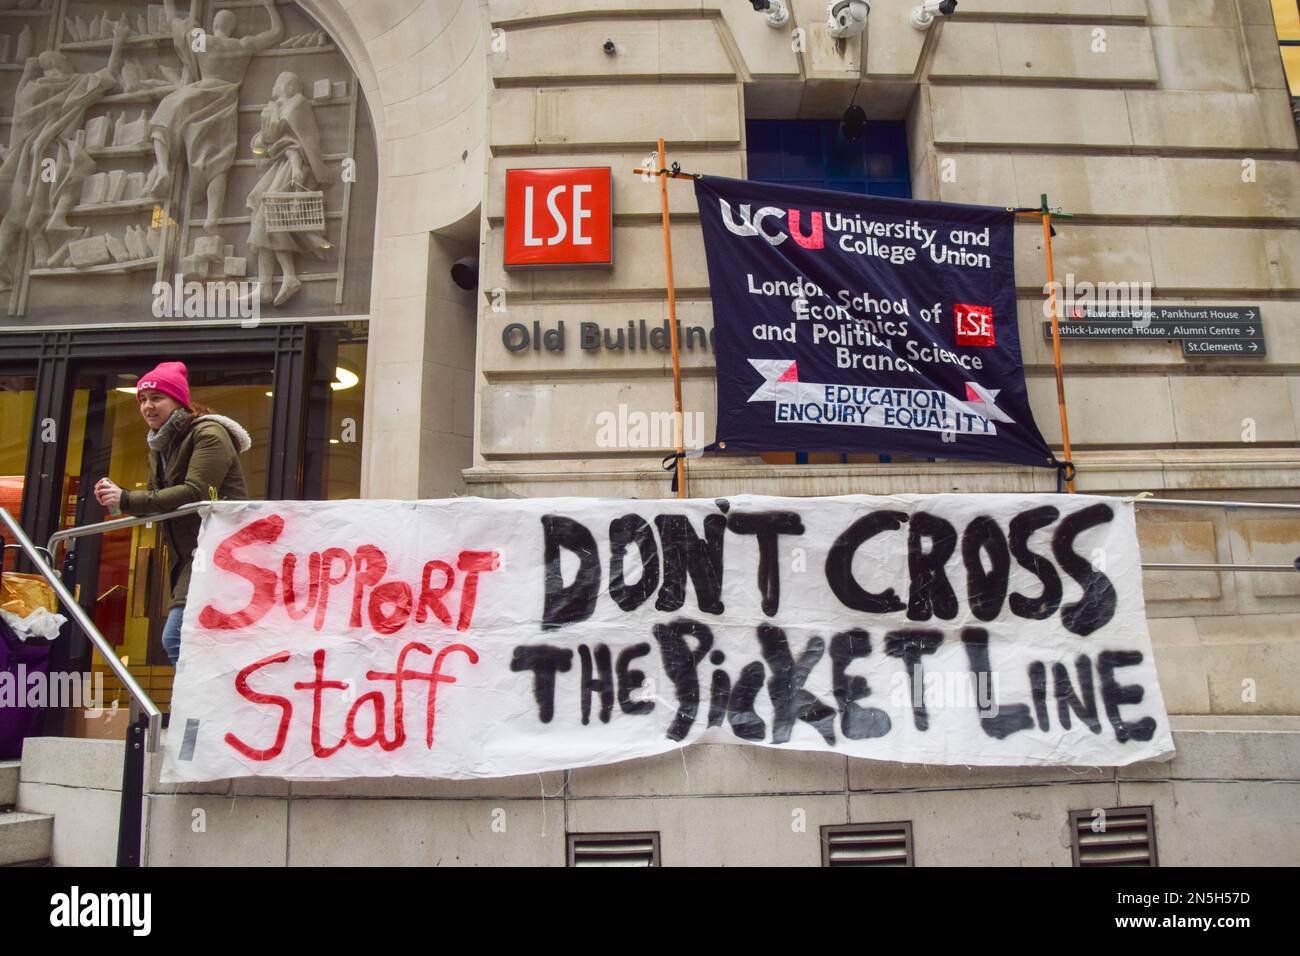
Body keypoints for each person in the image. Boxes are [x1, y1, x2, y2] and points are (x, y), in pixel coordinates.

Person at [93, 362, 250, 666]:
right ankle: (203, 711)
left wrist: (127, 499)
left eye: (156, 398)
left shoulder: (209, 433)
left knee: (177, 637)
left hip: (220, 551)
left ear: (178, 400)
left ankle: (196, 712)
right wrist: (121, 497)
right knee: (200, 643)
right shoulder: (162, 444)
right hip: (190, 554)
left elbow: (195, 492)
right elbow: (165, 499)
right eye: (142, 400)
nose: (147, 406)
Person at [144, 0, 285, 229]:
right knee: (218, 159)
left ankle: (162, 167)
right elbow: (277, 32)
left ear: (215, 23)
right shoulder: (242, 45)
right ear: (233, 27)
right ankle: (213, 216)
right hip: (225, 99)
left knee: (162, 119)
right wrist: (269, 6)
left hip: (198, 94)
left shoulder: (204, 41)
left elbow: (174, 22)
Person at [246, 71, 331, 305]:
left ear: (290, 86)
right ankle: (267, 285)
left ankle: (287, 278)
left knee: (268, 216)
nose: (274, 86)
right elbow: (267, 140)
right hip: (282, 163)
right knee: (262, 220)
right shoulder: (280, 106)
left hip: (295, 166)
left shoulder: (297, 105)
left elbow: (296, 139)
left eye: (277, 82)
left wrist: (272, 122)